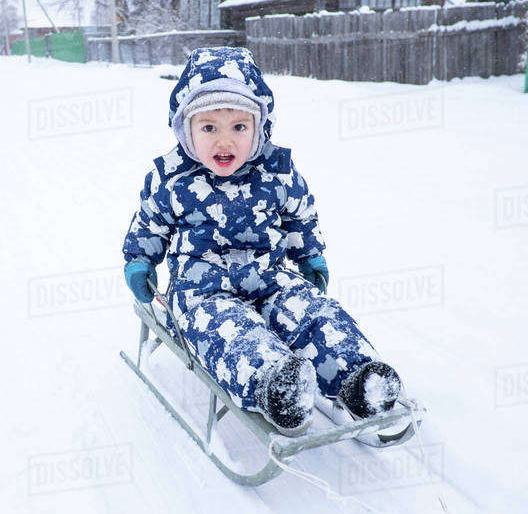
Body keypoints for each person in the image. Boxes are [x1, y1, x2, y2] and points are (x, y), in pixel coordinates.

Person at [122, 47, 402, 436]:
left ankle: (357, 376)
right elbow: (149, 223)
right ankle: (277, 383)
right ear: (185, 128)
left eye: (239, 127)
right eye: (209, 128)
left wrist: (310, 255)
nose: (225, 141)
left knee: (310, 310)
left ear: (259, 127)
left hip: (269, 275)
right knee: (227, 329)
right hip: (202, 287)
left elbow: (299, 214)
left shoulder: (276, 171)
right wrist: (140, 259)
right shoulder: (172, 178)